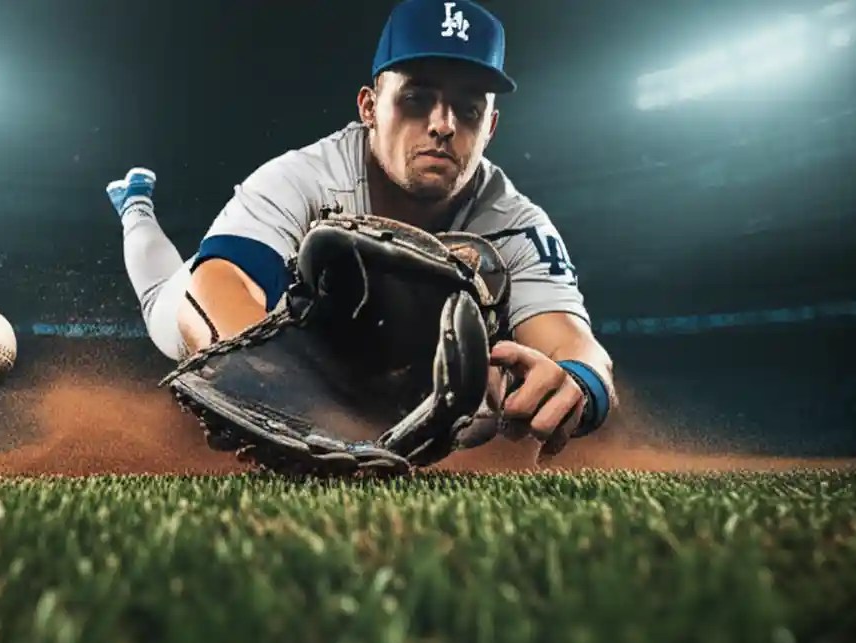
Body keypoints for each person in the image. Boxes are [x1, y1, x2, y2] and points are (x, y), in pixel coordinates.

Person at [107, 0, 616, 458]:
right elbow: (216, 284)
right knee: (162, 301)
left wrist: (577, 383)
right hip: (281, 333)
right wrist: (282, 397)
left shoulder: (515, 222)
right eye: (417, 98)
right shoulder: (304, 176)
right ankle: (134, 207)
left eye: (468, 108)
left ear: (491, 126)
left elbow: (573, 343)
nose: (443, 124)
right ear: (369, 107)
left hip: (382, 374)